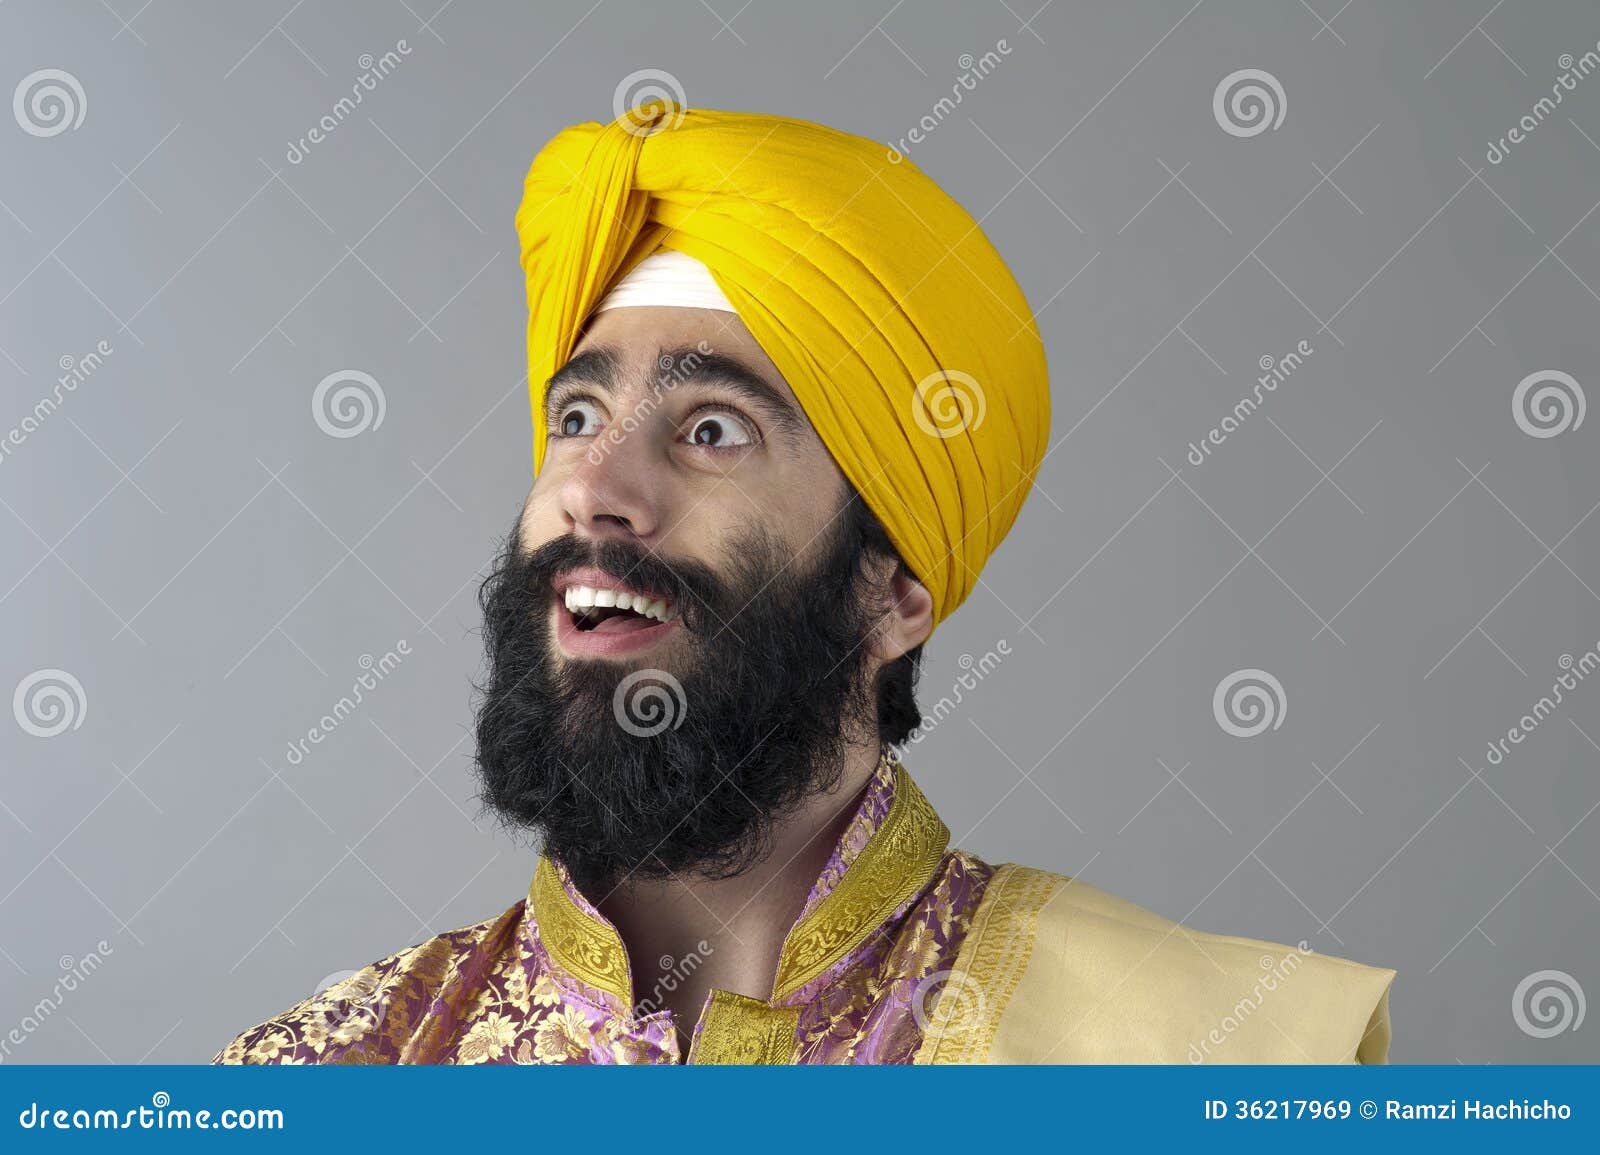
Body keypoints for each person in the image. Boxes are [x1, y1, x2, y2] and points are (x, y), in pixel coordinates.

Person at [214, 103, 1394, 1065]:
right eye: (575, 416)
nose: (594, 487)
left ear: (894, 593)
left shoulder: (1213, 1054)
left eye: (712, 429)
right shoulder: (332, 1068)